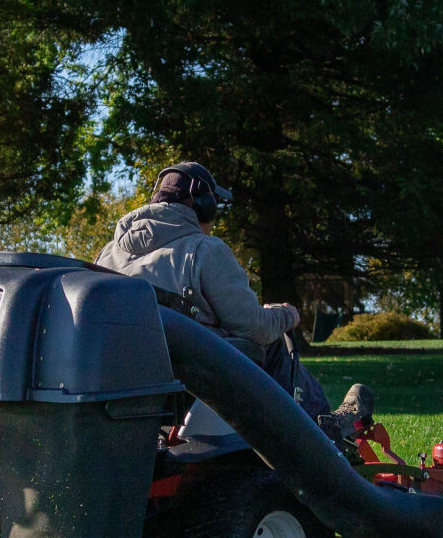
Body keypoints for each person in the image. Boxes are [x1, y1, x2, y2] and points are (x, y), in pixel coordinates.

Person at [96, 161, 373, 442]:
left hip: (128, 387)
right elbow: (255, 328)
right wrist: (287, 314)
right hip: (198, 385)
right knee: (273, 342)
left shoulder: (106, 255)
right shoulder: (205, 250)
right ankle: (327, 435)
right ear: (203, 206)